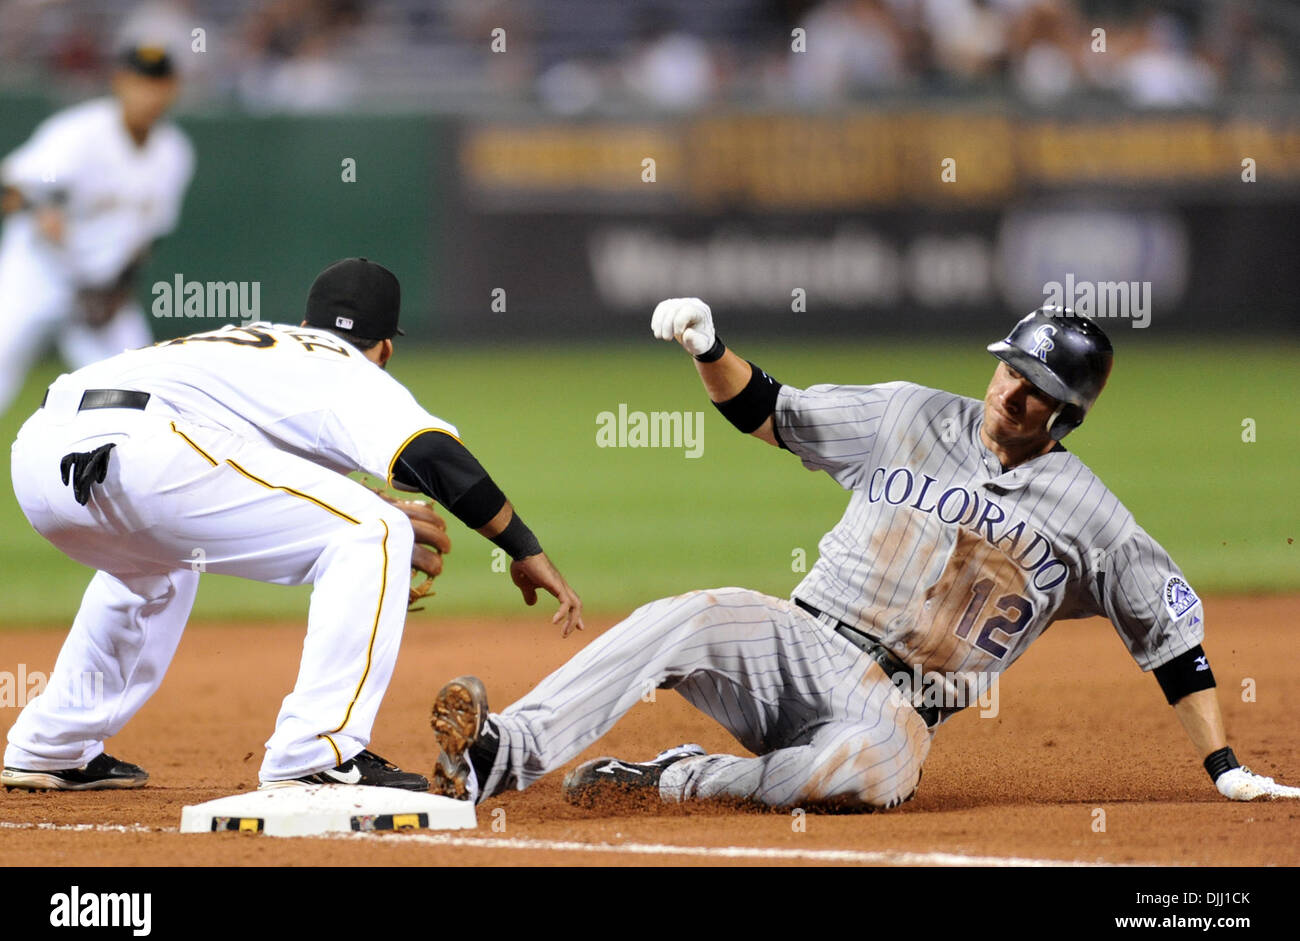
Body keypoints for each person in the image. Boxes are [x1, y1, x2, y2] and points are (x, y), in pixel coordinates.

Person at [428, 298, 1298, 810]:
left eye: (1037, 391)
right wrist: (708, 348)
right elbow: (770, 413)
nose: (1012, 393)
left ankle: (681, 781)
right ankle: (502, 753)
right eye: (1009, 372)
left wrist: (1223, 767)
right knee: (687, 615)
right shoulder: (908, 415)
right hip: (799, 645)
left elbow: (1173, 642)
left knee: (858, 775)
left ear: (1069, 411)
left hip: (899, 713)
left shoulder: (1094, 521)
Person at [2, 257, 583, 792]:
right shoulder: (350, 368)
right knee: (374, 533)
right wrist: (523, 548)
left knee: (155, 566)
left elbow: (249, 464)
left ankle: (52, 746)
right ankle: (316, 754)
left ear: (307, 319)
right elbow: (433, 455)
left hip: (42, 454)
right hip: (149, 455)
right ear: (385, 347)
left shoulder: (255, 345)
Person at [0, 39, 195, 417]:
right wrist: (40, 209)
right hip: (37, 273)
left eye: (158, 83)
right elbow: (9, 187)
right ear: (120, 82)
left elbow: (151, 235)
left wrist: (118, 291)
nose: (148, 93)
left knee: (139, 388)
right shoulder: (79, 134)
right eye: (140, 81)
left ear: (172, 89)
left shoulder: (174, 152)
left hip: (99, 287)